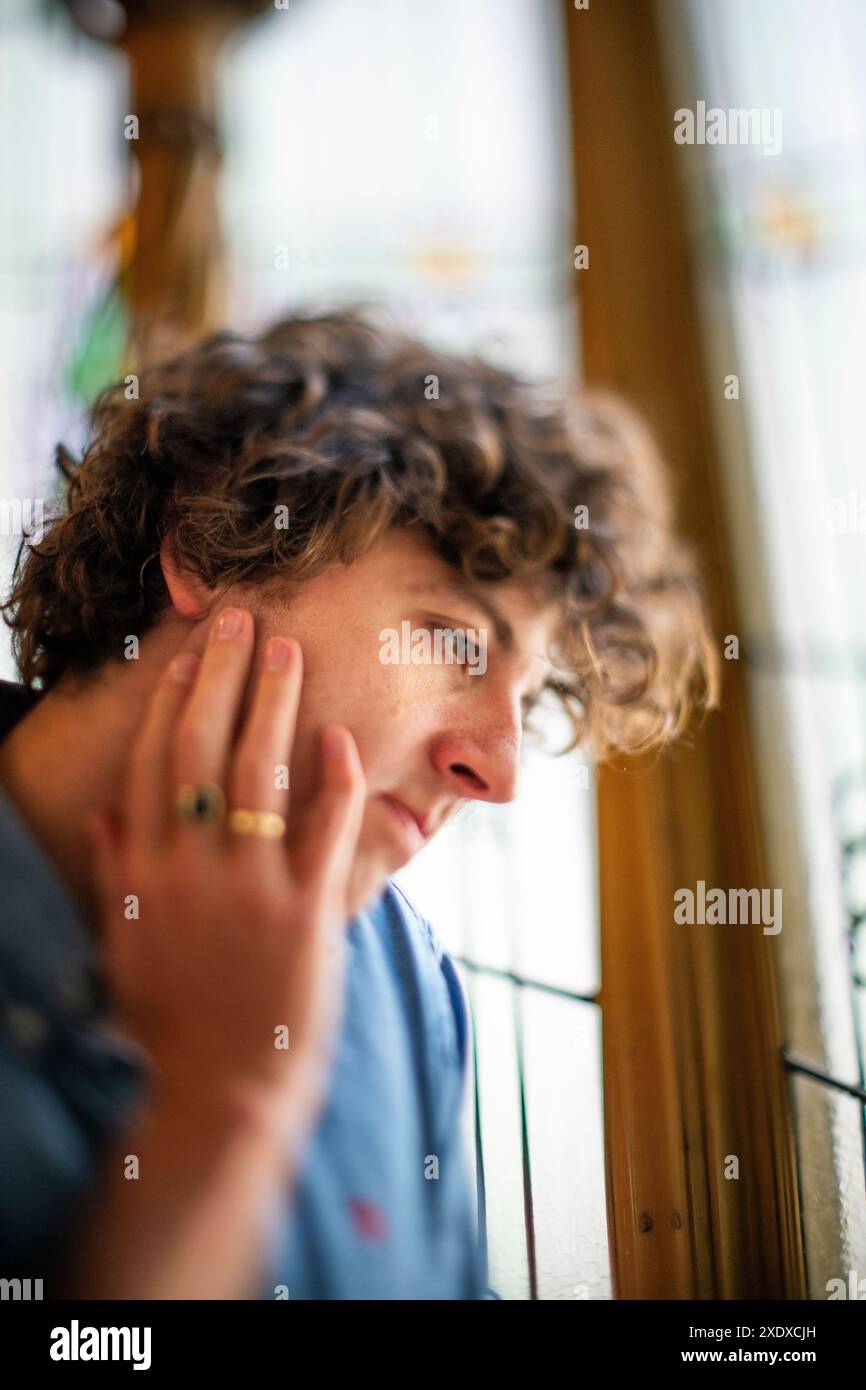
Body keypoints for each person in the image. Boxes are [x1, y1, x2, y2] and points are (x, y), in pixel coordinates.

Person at [0, 307, 717, 1299]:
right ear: (210, 548)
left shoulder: (398, 974)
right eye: (454, 642)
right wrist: (227, 1099)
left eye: (524, 689)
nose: (498, 772)